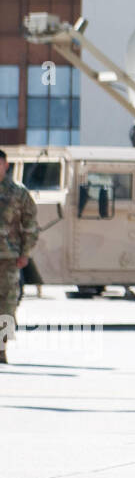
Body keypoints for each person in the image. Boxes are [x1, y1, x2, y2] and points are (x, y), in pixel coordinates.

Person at [0, 148, 39, 364]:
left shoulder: (18, 193)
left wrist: (25, 253)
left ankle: (1, 347)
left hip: (9, 258)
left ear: (6, 165)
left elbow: (31, 225)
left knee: (7, 304)